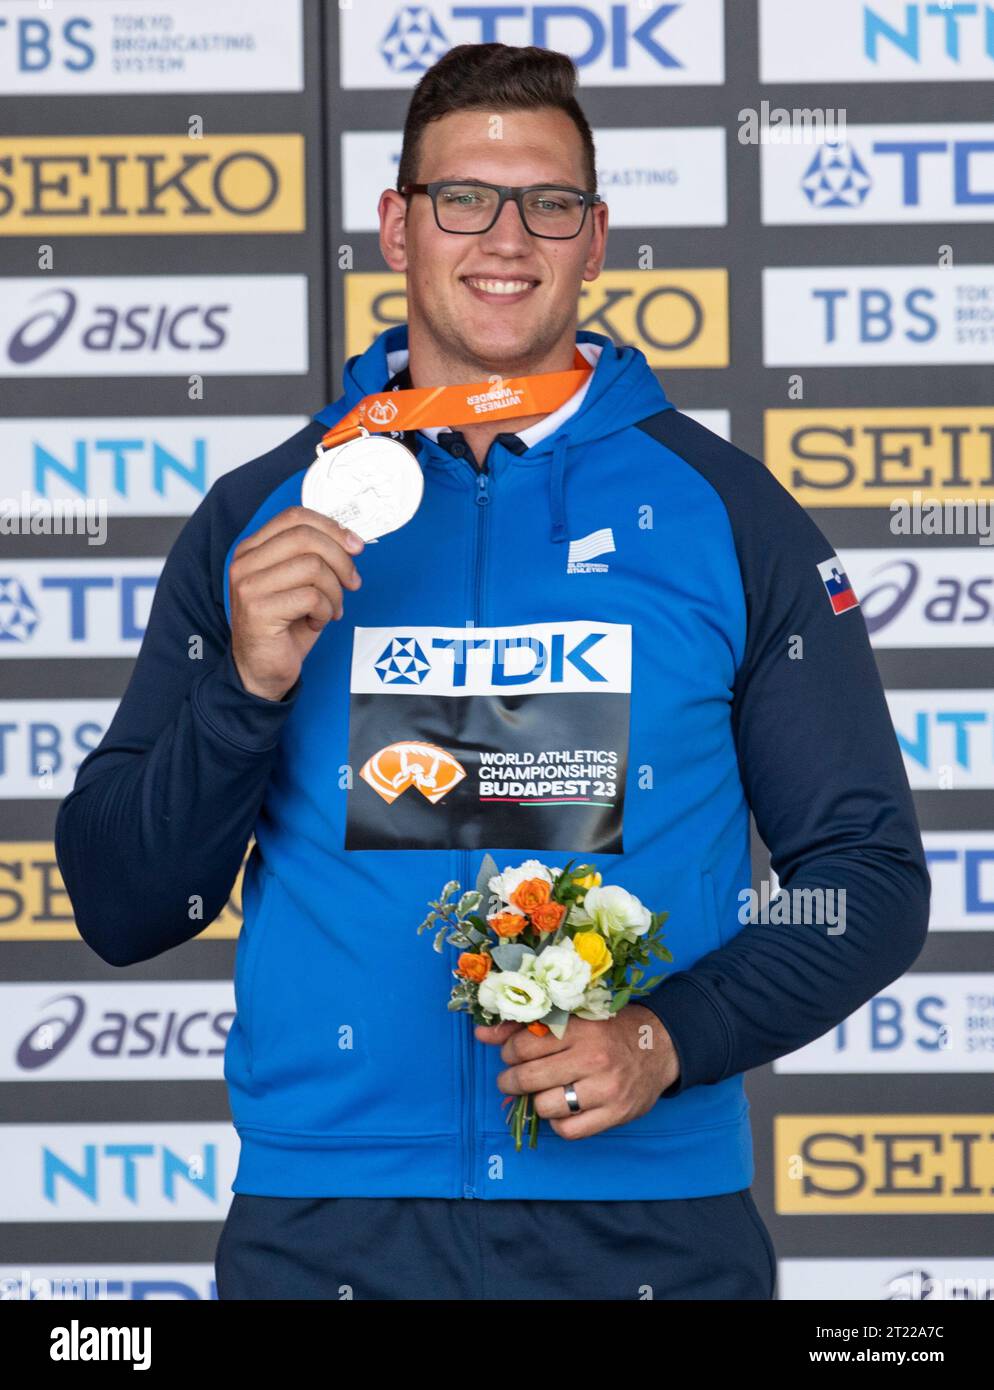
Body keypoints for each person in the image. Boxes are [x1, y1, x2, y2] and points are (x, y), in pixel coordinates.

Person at [55, 43, 929, 1301]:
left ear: (596, 237)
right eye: (463, 198)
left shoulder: (730, 515)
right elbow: (124, 906)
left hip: (647, 1228)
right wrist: (241, 692)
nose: (505, 236)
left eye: (549, 203)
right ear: (398, 228)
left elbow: (866, 880)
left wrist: (664, 1037)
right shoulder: (259, 518)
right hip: (330, 1229)